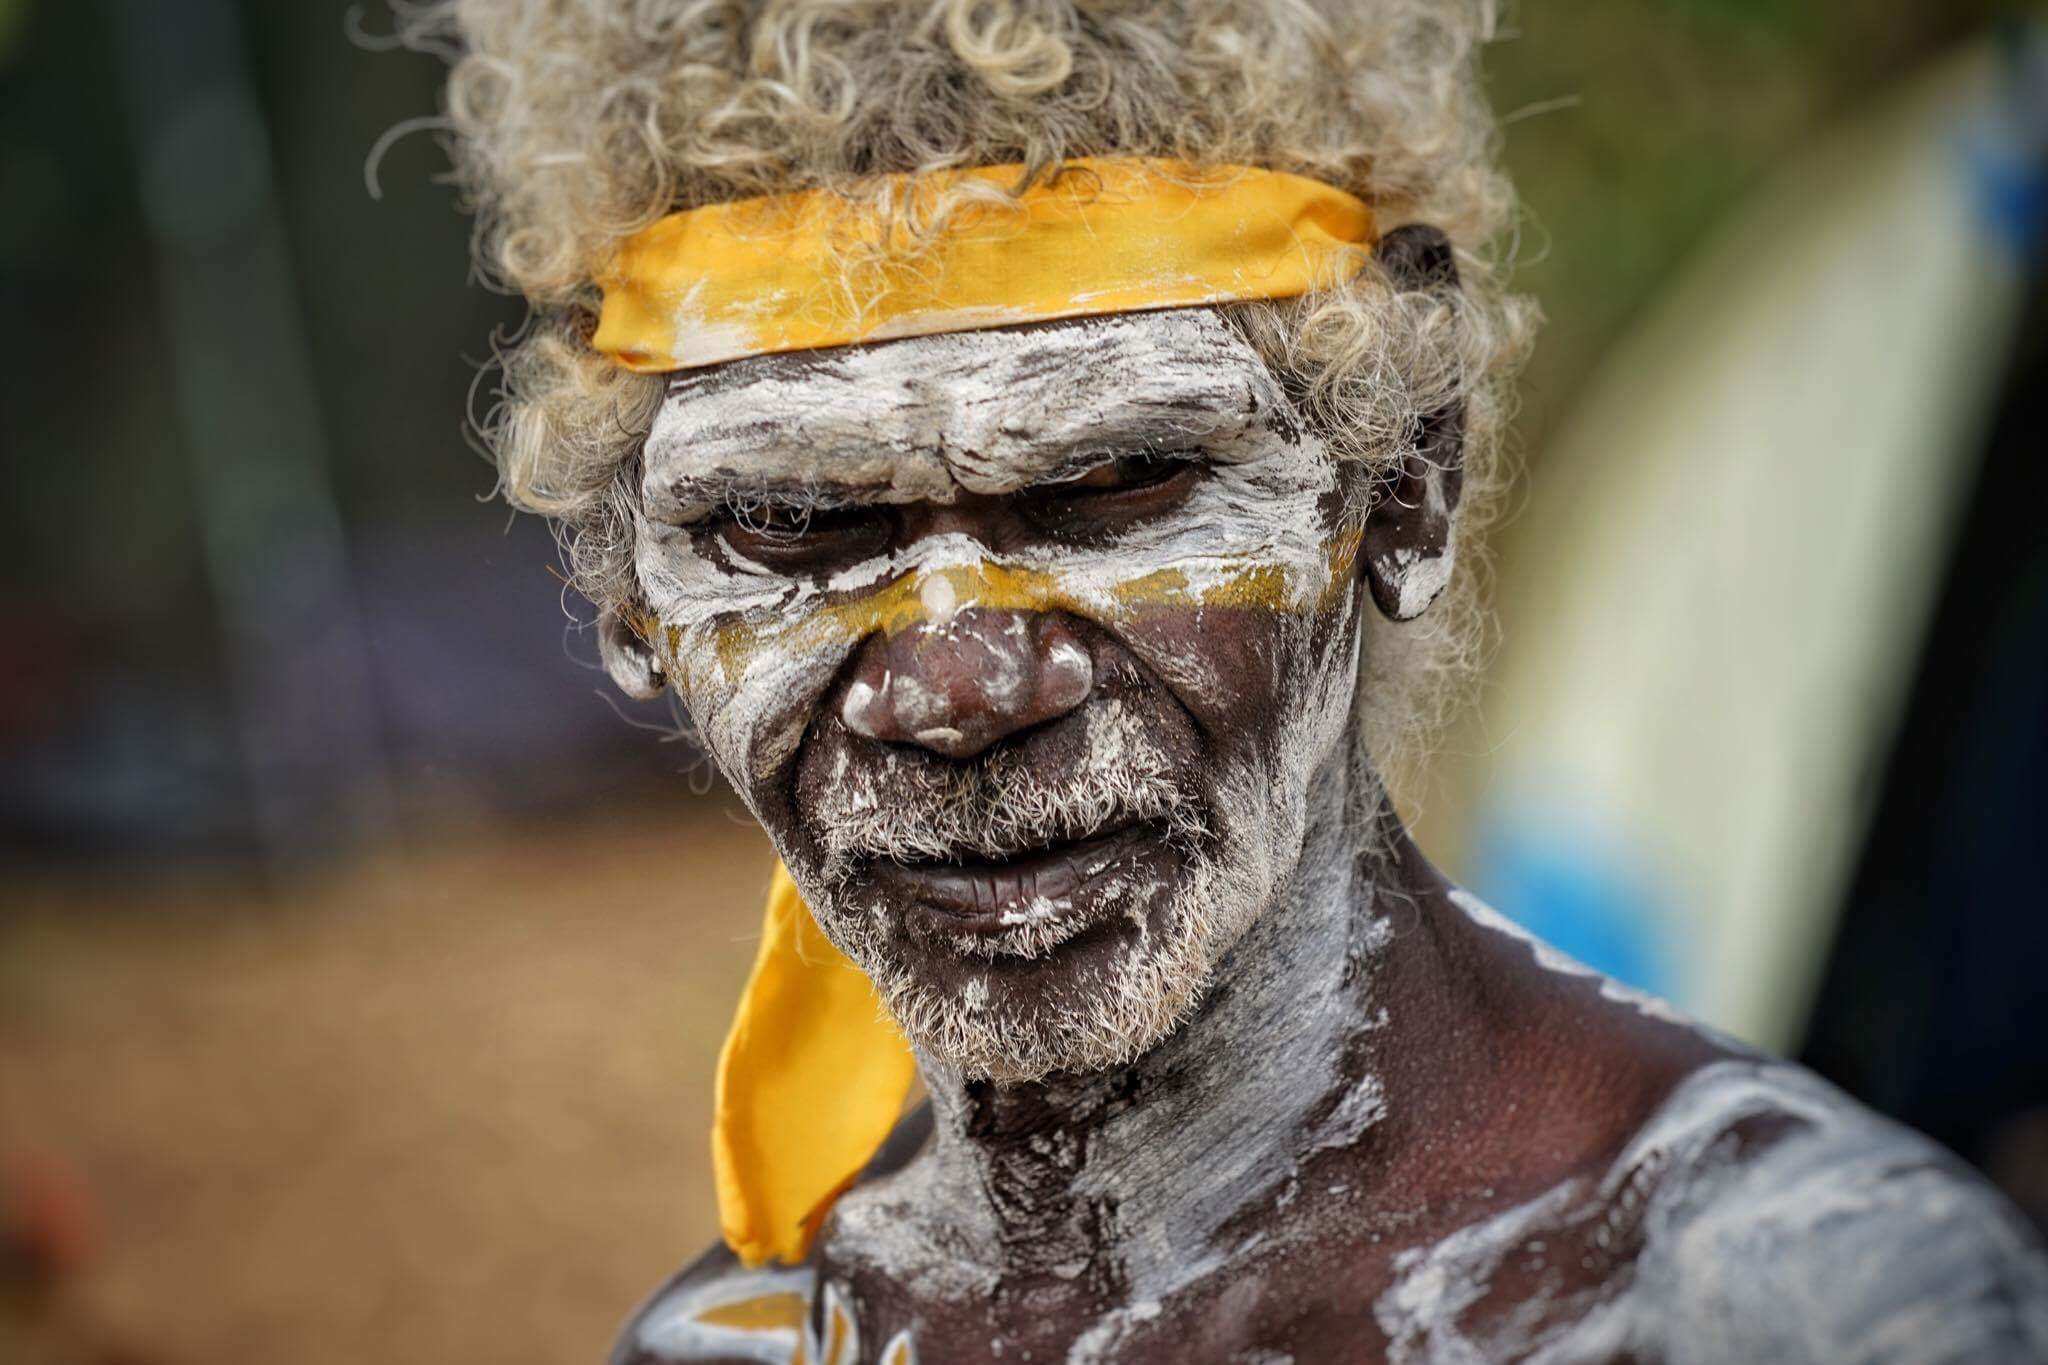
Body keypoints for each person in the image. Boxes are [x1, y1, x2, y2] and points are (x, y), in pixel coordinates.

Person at [404, 2, 2048, 1359]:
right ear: (629, 598)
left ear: (1402, 490)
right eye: (792, 523)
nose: (962, 681)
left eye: (1112, 484)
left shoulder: (1802, 1308)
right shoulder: (735, 1347)